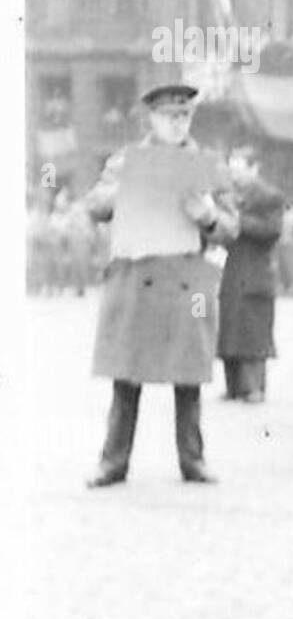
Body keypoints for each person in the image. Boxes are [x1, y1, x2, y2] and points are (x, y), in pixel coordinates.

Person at [84, 83, 233, 487]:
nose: (177, 123)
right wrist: (120, 190)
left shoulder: (207, 164)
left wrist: (208, 216)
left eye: (184, 116)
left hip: (187, 277)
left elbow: (231, 228)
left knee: (188, 375)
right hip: (137, 276)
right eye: (169, 116)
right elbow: (95, 206)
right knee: (126, 375)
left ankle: (193, 460)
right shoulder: (125, 162)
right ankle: (113, 462)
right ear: (151, 119)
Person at [217, 144, 285, 404]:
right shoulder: (226, 196)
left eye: (240, 170)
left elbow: (272, 230)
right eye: (231, 170)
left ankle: (255, 387)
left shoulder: (269, 196)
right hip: (231, 269)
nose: (235, 176)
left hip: (256, 270)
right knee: (230, 327)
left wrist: (238, 222)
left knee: (254, 331)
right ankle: (233, 386)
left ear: (255, 169)